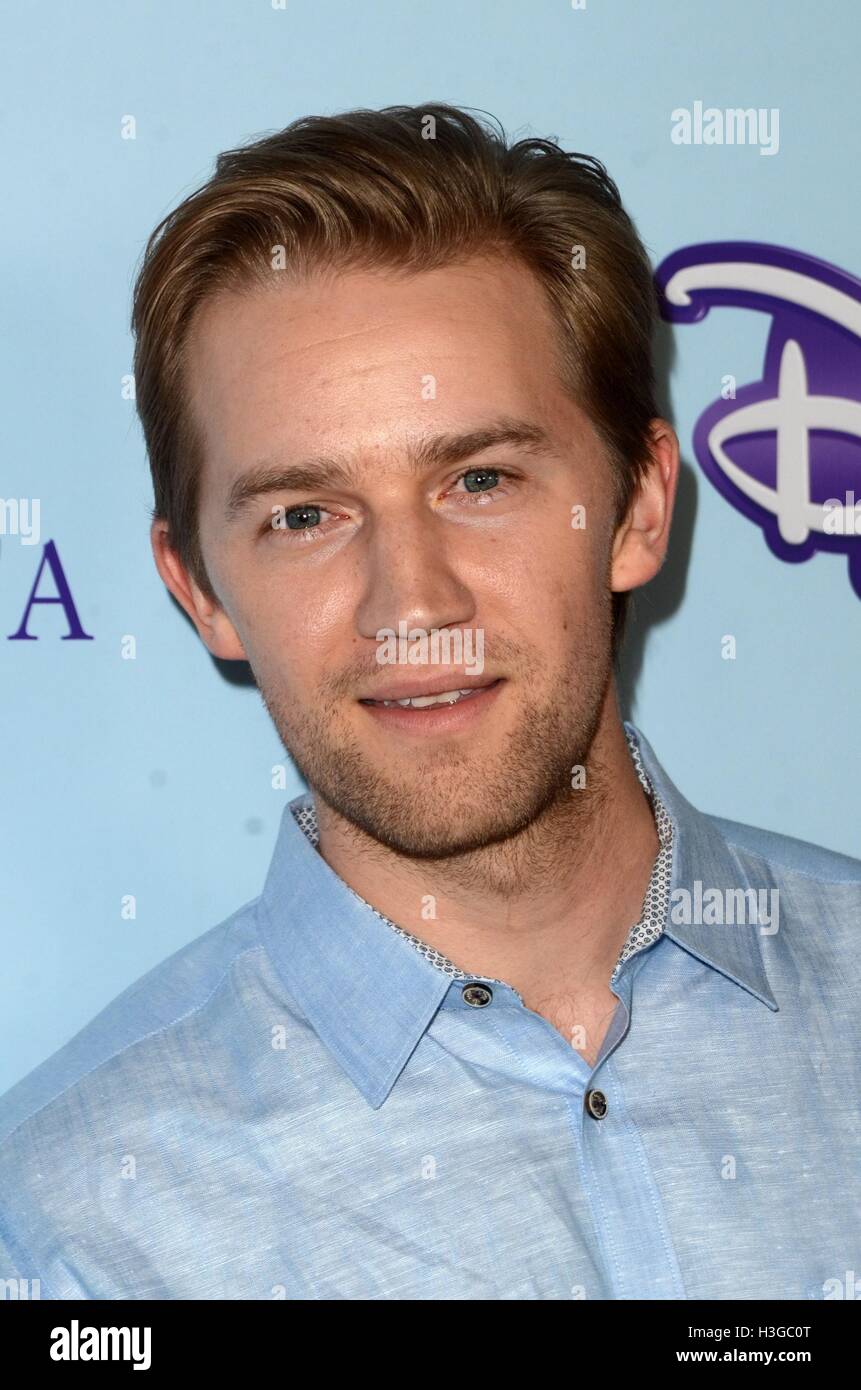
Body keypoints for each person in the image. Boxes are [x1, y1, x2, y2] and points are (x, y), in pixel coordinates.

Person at [1, 104, 858, 1301]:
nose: (412, 600)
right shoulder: (70, 1238)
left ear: (640, 506)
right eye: (306, 514)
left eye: (481, 478)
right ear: (199, 589)